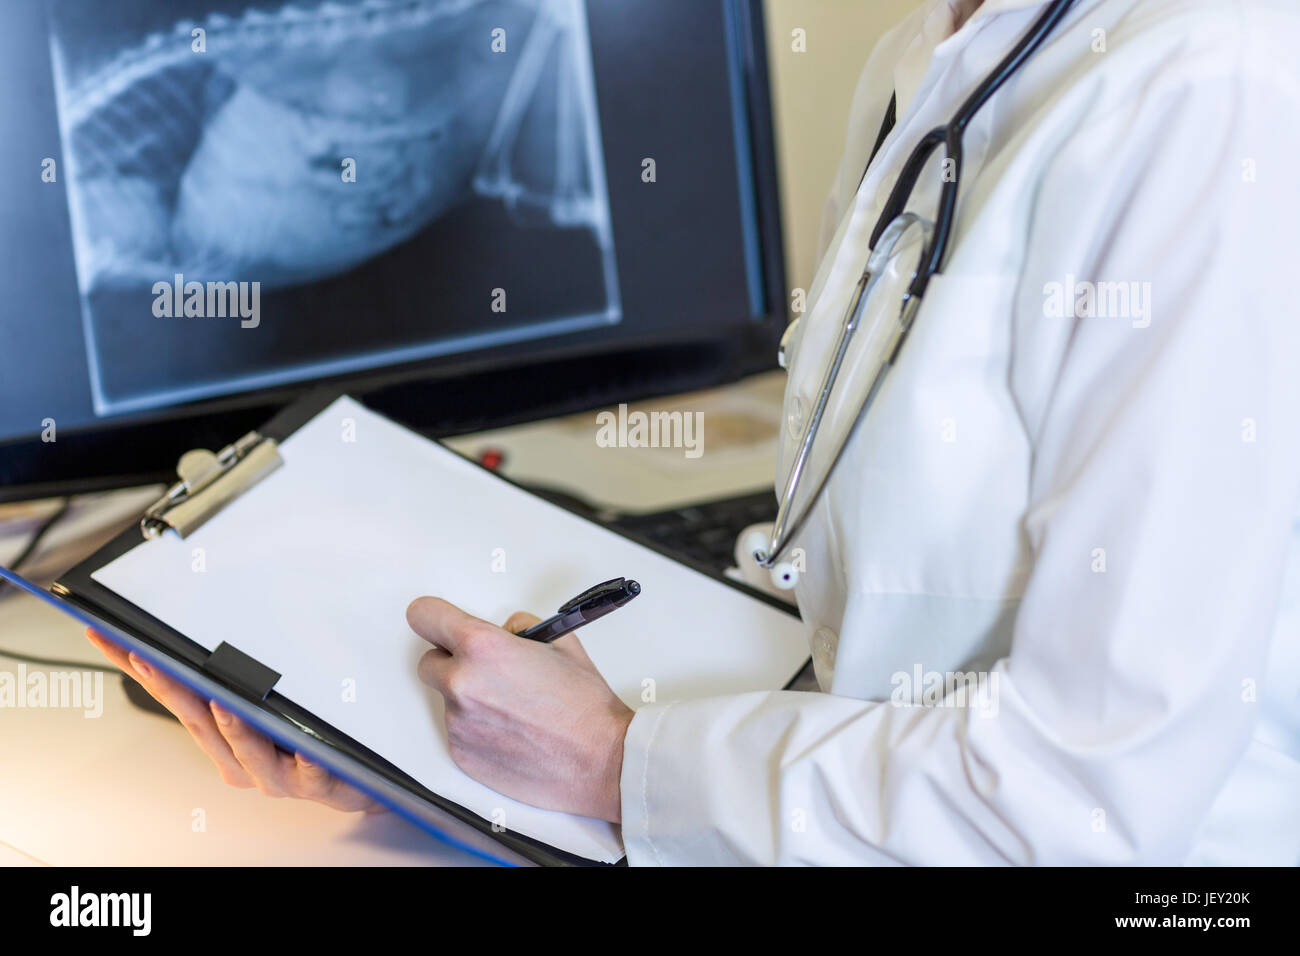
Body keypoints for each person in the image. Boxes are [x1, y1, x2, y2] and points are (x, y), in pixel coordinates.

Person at [89, 0, 1300, 865]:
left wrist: (618, 766)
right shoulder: (930, 57)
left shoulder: (1213, 86)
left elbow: (1086, 798)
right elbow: (867, 610)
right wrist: (406, 738)